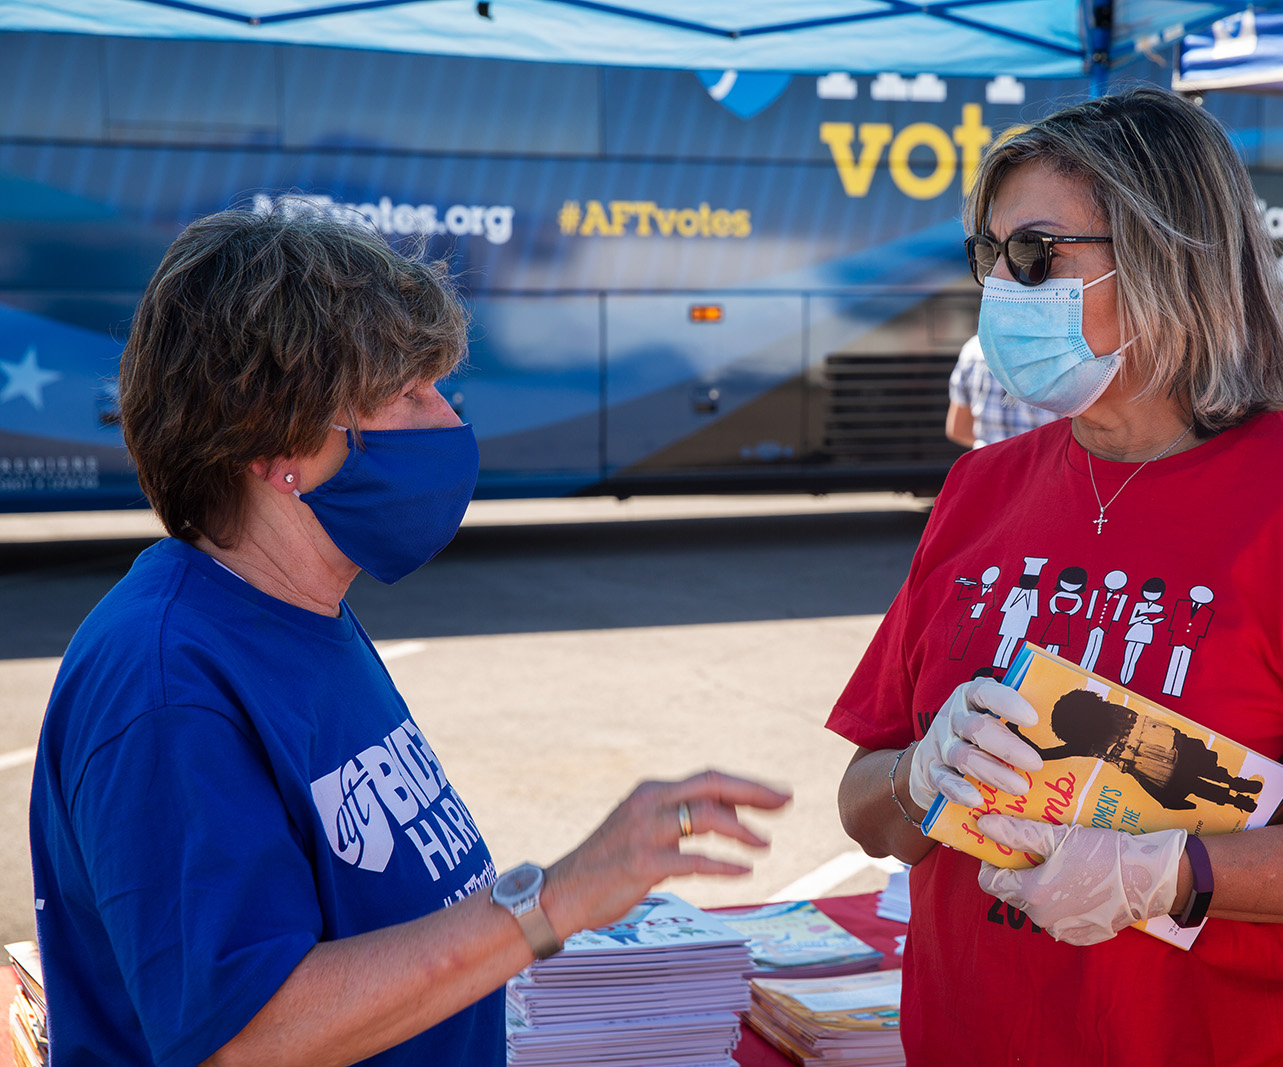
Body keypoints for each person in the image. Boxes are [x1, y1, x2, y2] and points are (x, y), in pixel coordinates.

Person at [28, 203, 790, 1066]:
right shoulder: (164, 684)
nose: (449, 422)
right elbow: (246, 1035)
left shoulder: (300, 609)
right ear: (276, 443)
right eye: (409, 394)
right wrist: (555, 899)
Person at [829, 86, 1283, 1066]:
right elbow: (860, 802)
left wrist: (1169, 870)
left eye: (1034, 254)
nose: (1003, 289)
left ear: (1164, 256)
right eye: (991, 253)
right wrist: (920, 771)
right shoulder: (981, 489)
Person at [945, 333, 1060, 448]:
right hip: (1045, 461)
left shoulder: (973, 349)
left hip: (989, 461)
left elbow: (958, 430)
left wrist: (995, 449)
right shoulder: (1060, 350)